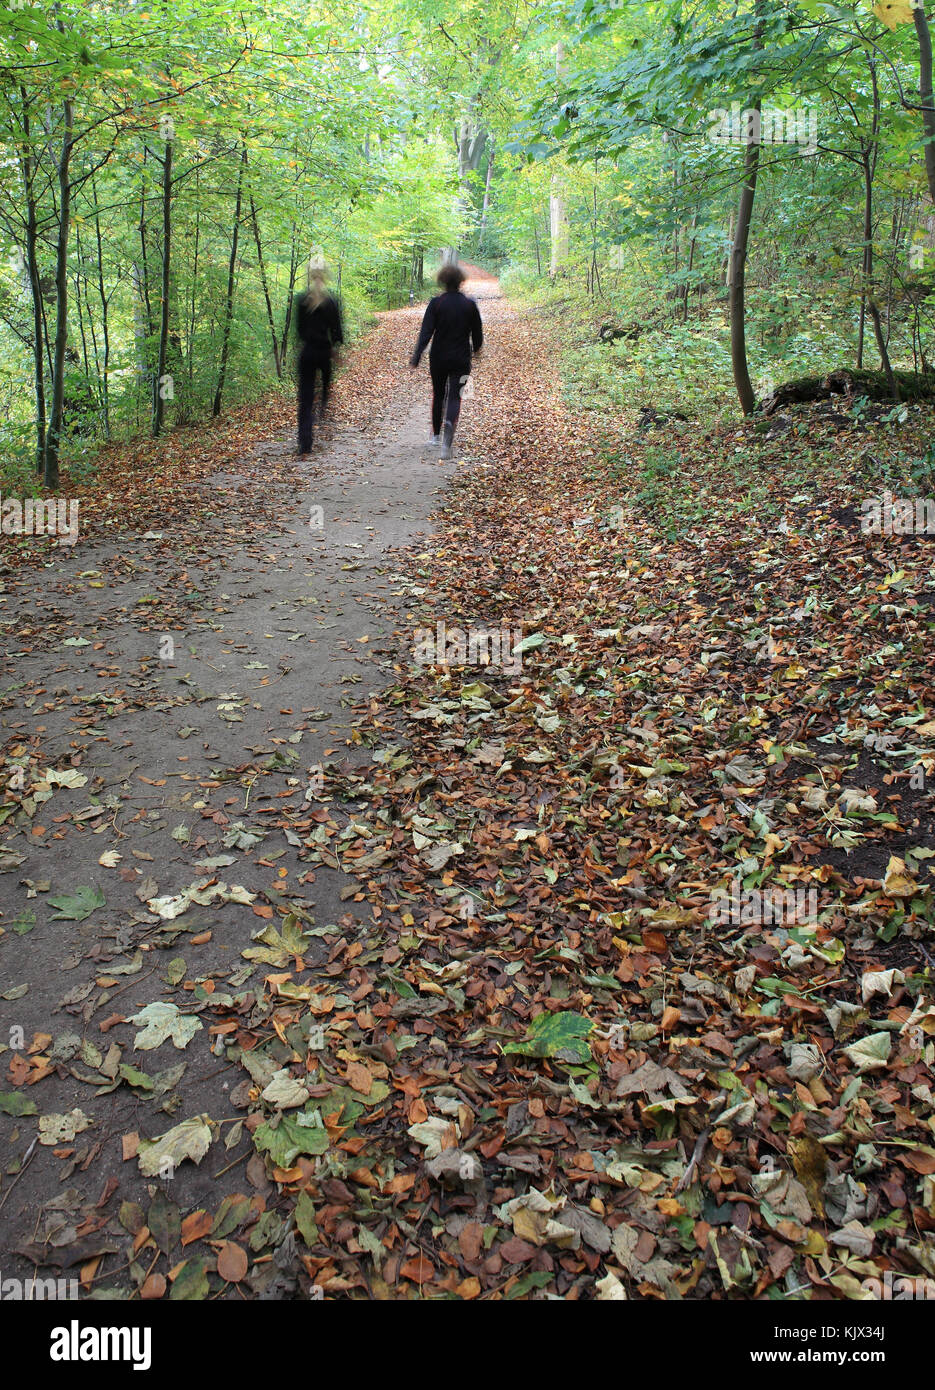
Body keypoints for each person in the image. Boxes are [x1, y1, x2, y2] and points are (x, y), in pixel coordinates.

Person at [410, 263, 483, 459]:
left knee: (439, 393)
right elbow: (477, 333)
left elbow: (426, 332)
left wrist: (417, 355)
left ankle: (435, 435)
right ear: (460, 281)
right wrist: (476, 349)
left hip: (439, 357)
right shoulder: (469, 304)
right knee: (455, 397)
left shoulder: (436, 303)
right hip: (461, 358)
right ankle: (448, 435)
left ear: (442, 281)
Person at [294, 258, 343, 455]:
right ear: (325, 276)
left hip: (307, 353)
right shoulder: (331, 301)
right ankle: (322, 408)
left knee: (305, 399)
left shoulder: (301, 300)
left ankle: (305, 442)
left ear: (309, 276)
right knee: (324, 387)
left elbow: (299, 331)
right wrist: (334, 346)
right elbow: (338, 332)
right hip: (324, 354)